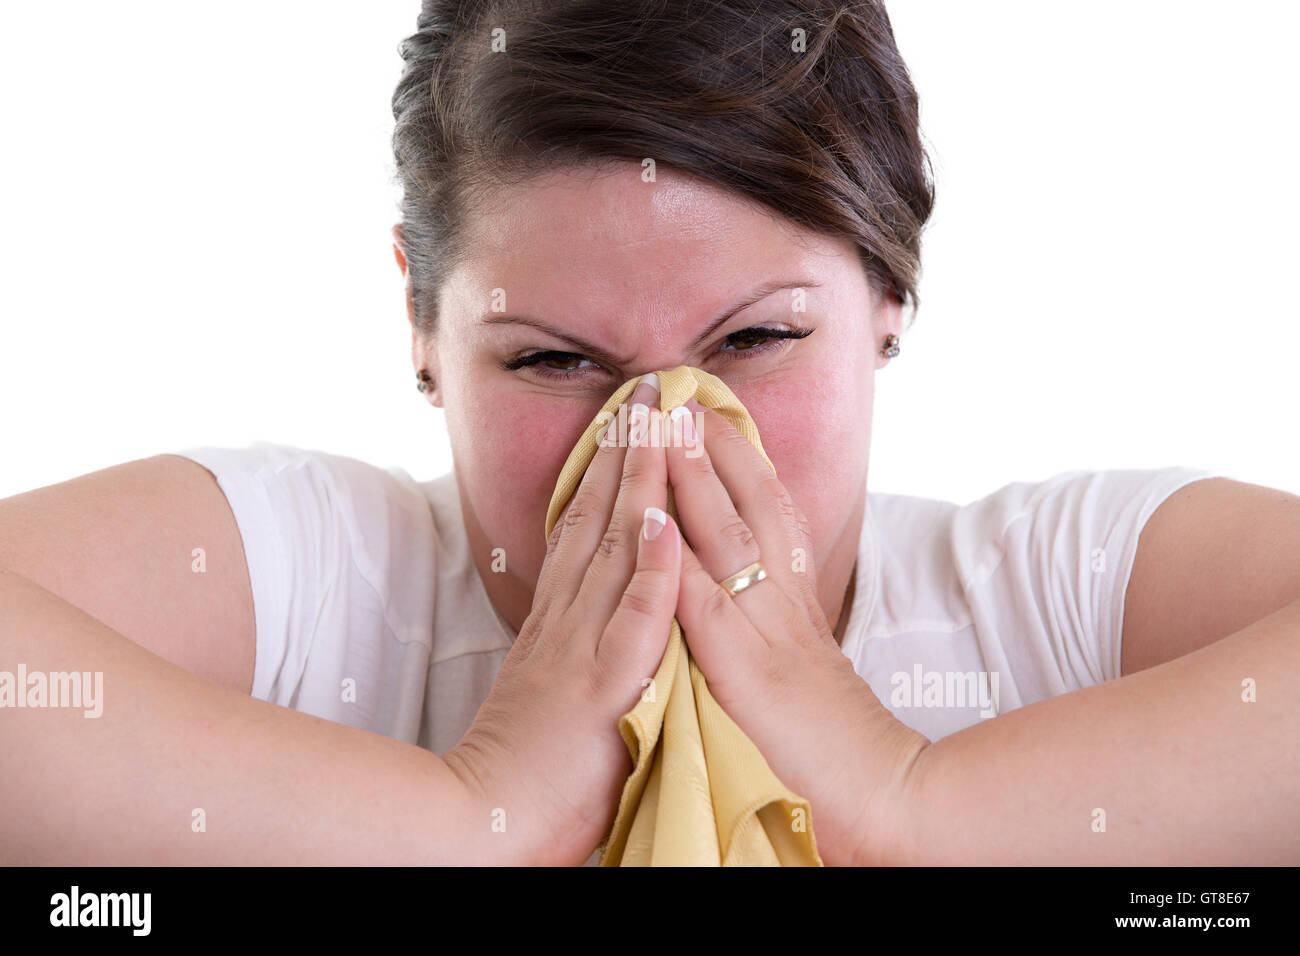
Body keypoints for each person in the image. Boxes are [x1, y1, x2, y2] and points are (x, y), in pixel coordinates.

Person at [2, 0, 1297, 866]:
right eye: (554, 360)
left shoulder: (1045, 599)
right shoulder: (326, 580)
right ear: (420, 329)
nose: (661, 442)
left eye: (752, 344)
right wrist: (472, 818)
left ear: (890, 295)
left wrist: (907, 794)